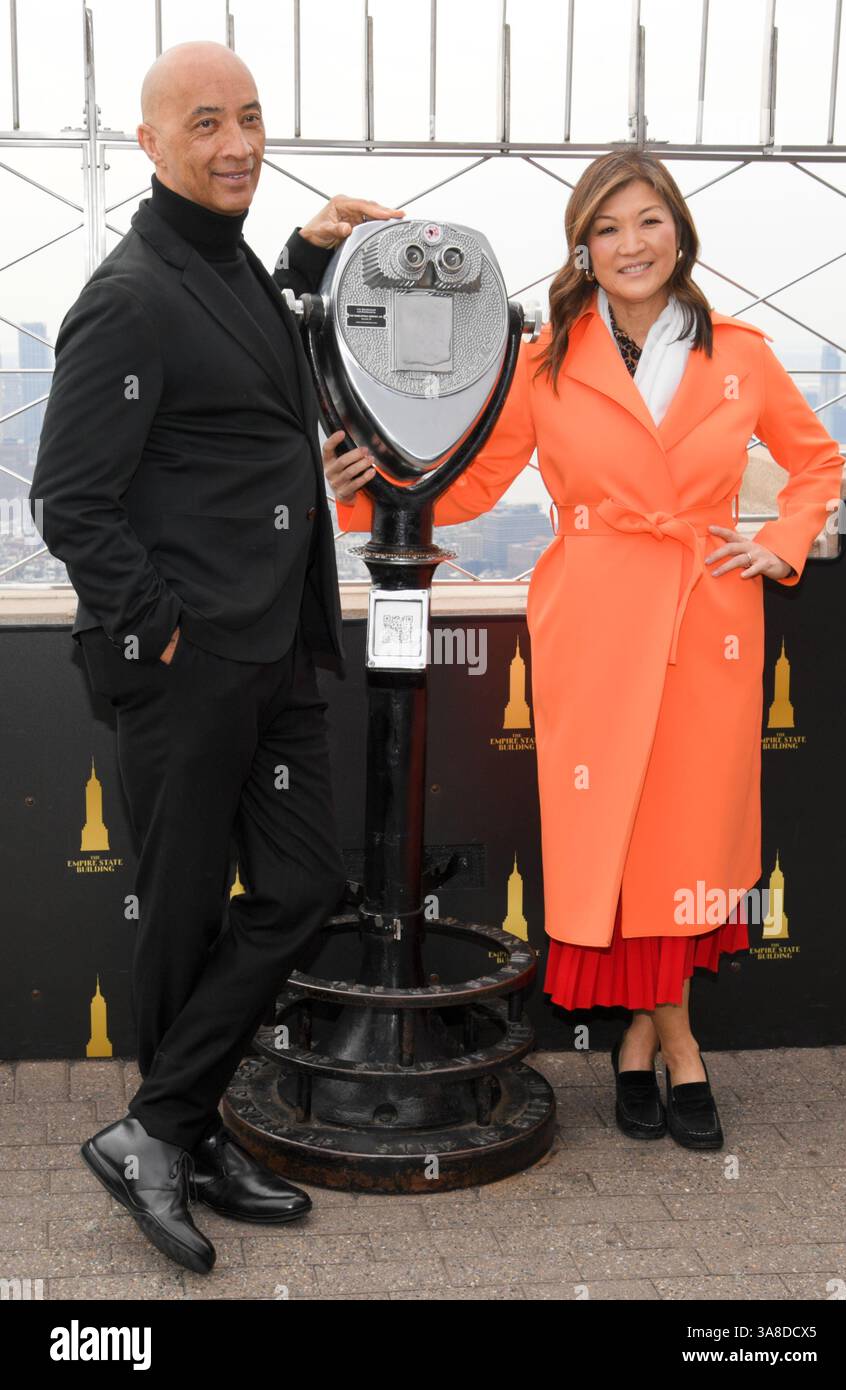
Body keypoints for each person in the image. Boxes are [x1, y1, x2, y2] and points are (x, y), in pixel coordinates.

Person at [327, 152, 845, 1154]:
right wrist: (366, 489)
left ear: (679, 233)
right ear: (584, 248)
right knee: (616, 841)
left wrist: (775, 543)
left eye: (649, 221)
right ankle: (671, 1045)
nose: (632, 244)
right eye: (608, 228)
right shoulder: (548, 359)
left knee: (685, 842)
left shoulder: (740, 353)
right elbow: (475, 487)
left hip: (707, 617)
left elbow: (816, 464)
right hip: (597, 618)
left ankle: (655, 1045)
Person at [28, 38, 403, 1275]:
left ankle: (165, 1124)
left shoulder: (234, 269)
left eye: (249, 118)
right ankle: (181, 1133)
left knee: (298, 887)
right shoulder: (128, 293)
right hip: (188, 659)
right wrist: (167, 624)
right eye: (205, 124)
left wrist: (304, 258)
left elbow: (249, 384)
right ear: (151, 143)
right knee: (182, 914)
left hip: (278, 645)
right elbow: (70, 498)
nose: (237, 142)